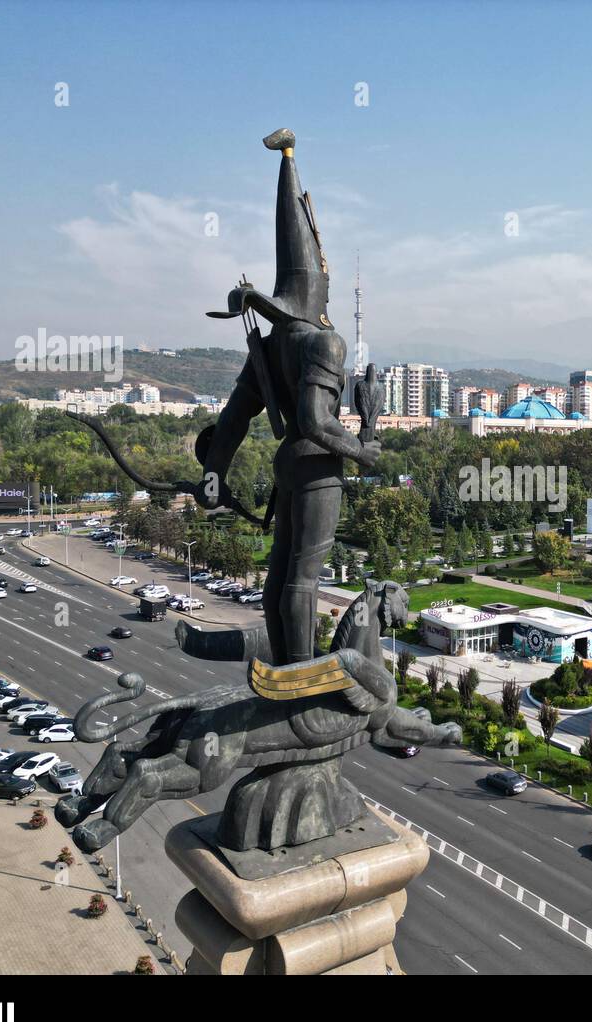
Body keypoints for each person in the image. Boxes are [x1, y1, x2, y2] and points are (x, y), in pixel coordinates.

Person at [191, 129, 379, 666]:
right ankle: (300, 677)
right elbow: (315, 421)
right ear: (319, 288)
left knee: (279, 582)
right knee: (303, 580)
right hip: (318, 470)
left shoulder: (269, 349)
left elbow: (230, 424)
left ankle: (284, 663)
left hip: (286, 469)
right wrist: (363, 451)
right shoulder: (326, 341)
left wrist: (213, 476)